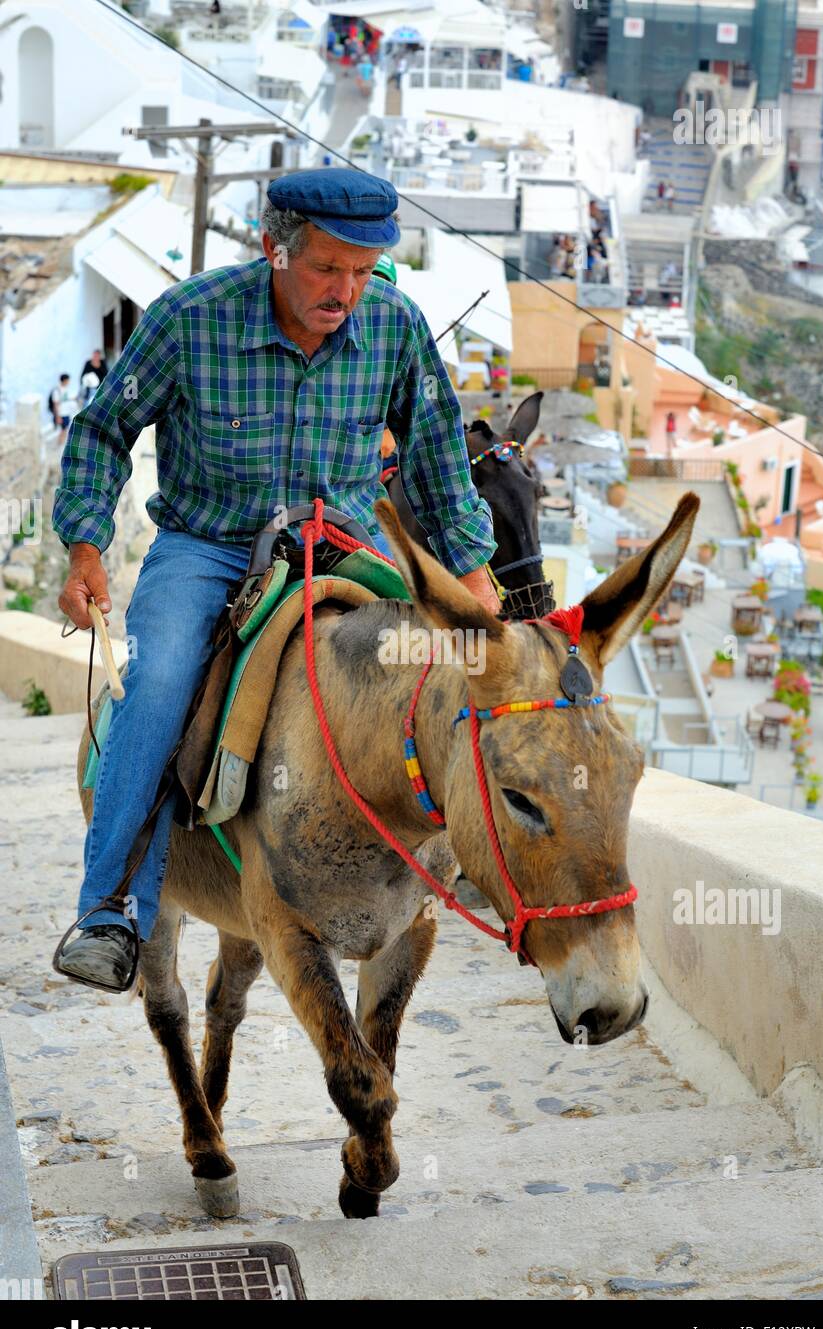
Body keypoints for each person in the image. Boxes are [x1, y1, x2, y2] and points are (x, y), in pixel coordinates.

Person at [52, 167, 499, 991]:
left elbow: (437, 456)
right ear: (272, 248)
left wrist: (471, 572)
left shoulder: (396, 327)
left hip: (343, 544)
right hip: (207, 548)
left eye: (363, 272)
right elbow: (103, 429)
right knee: (154, 685)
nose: (346, 291)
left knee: (448, 669)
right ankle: (112, 910)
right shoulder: (191, 317)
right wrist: (84, 547)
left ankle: (472, 856)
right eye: (327, 268)